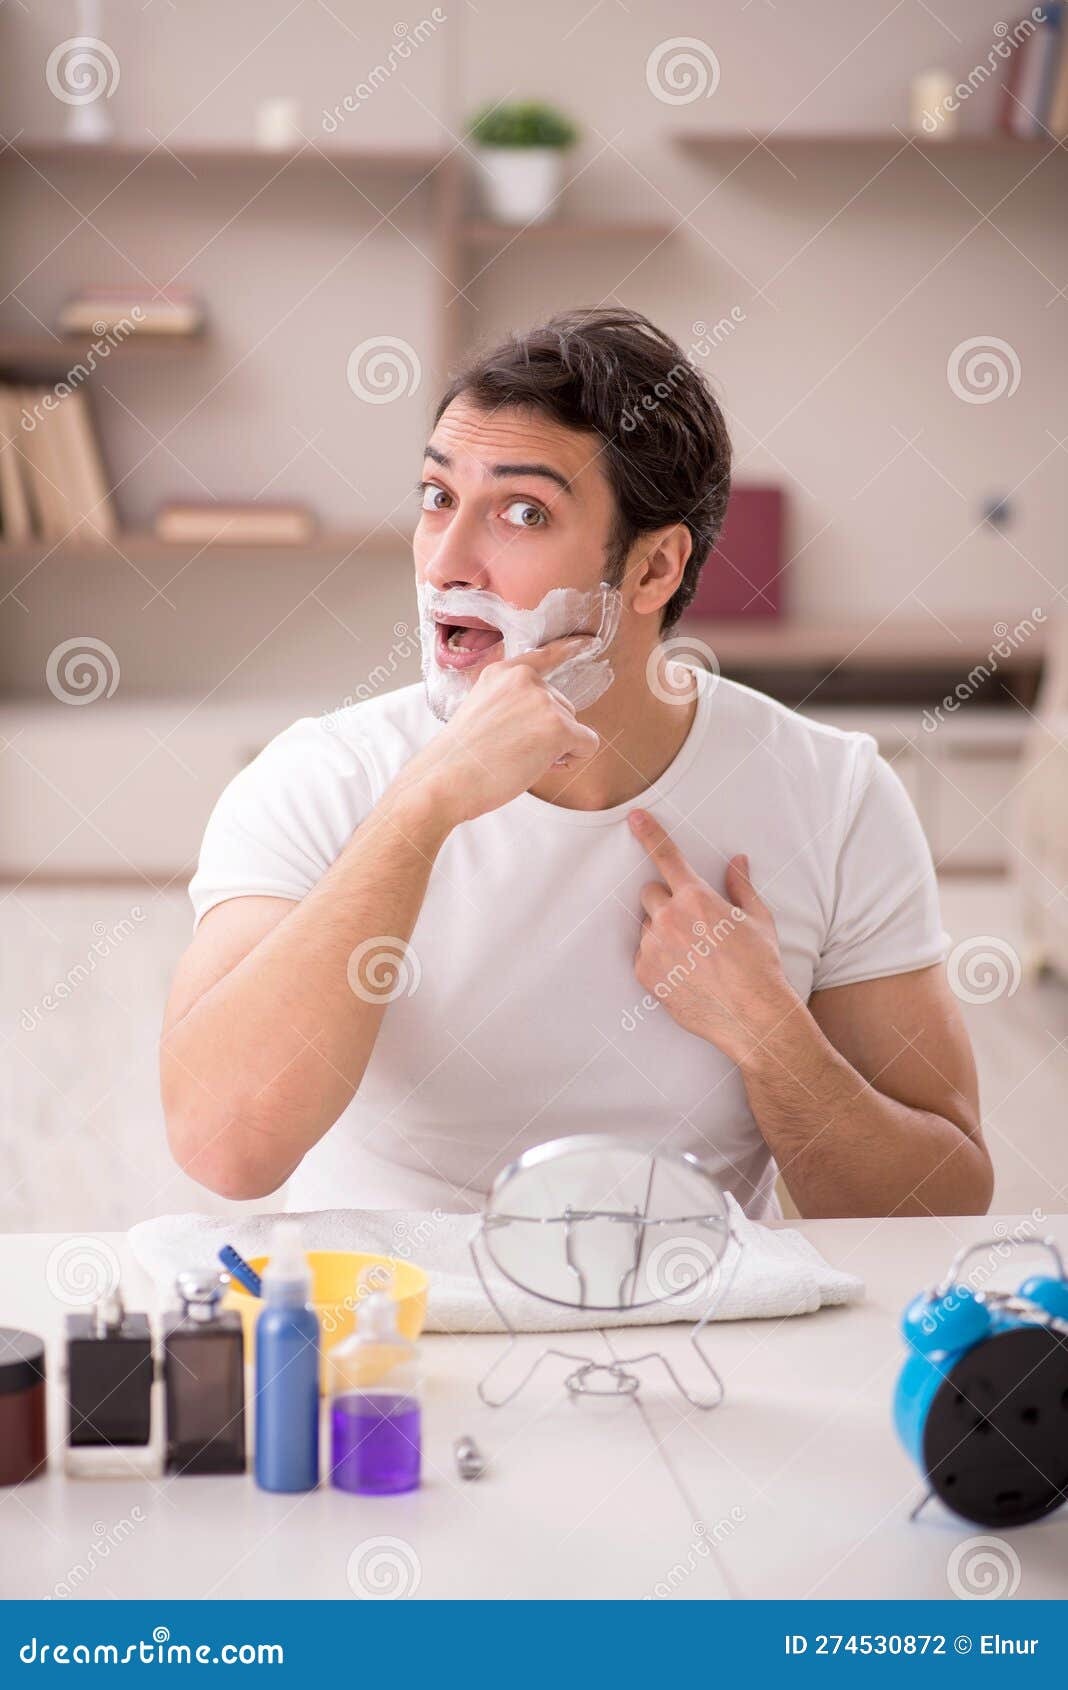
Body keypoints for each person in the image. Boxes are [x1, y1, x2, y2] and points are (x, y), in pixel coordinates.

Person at [161, 307, 992, 1221]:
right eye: (438, 497)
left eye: (522, 513)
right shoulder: (320, 780)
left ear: (651, 570)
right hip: (396, 1332)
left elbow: (935, 1212)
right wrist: (422, 806)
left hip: (696, 1335)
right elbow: (221, 1148)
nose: (445, 561)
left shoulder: (834, 797)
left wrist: (768, 1032)